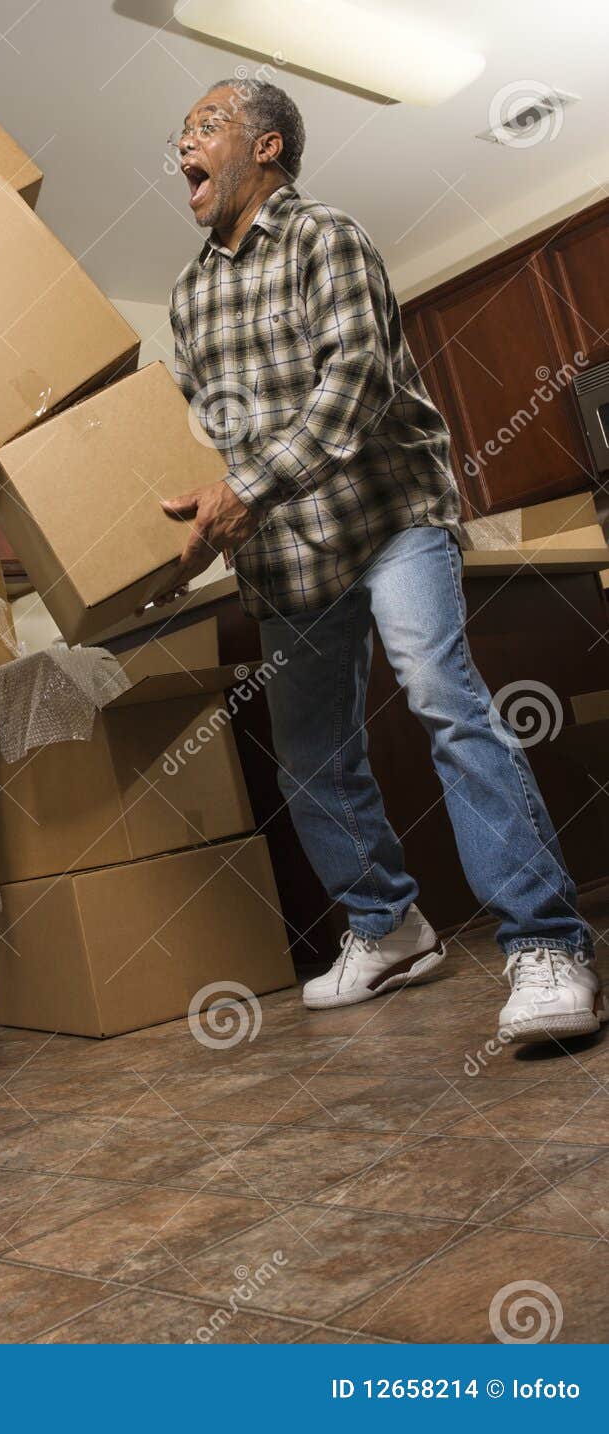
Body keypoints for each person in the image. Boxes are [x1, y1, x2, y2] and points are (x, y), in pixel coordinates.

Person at [161, 77, 604, 1045]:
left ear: (266, 146)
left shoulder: (328, 238)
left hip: (388, 513)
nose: (182, 145)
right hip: (287, 552)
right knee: (311, 756)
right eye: (178, 135)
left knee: (440, 693)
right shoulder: (188, 297)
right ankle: (388, 925)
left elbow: (353, 384)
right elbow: (219, 439)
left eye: (205, 125)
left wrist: (247, 488)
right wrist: (204, 512)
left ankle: (545, 941)